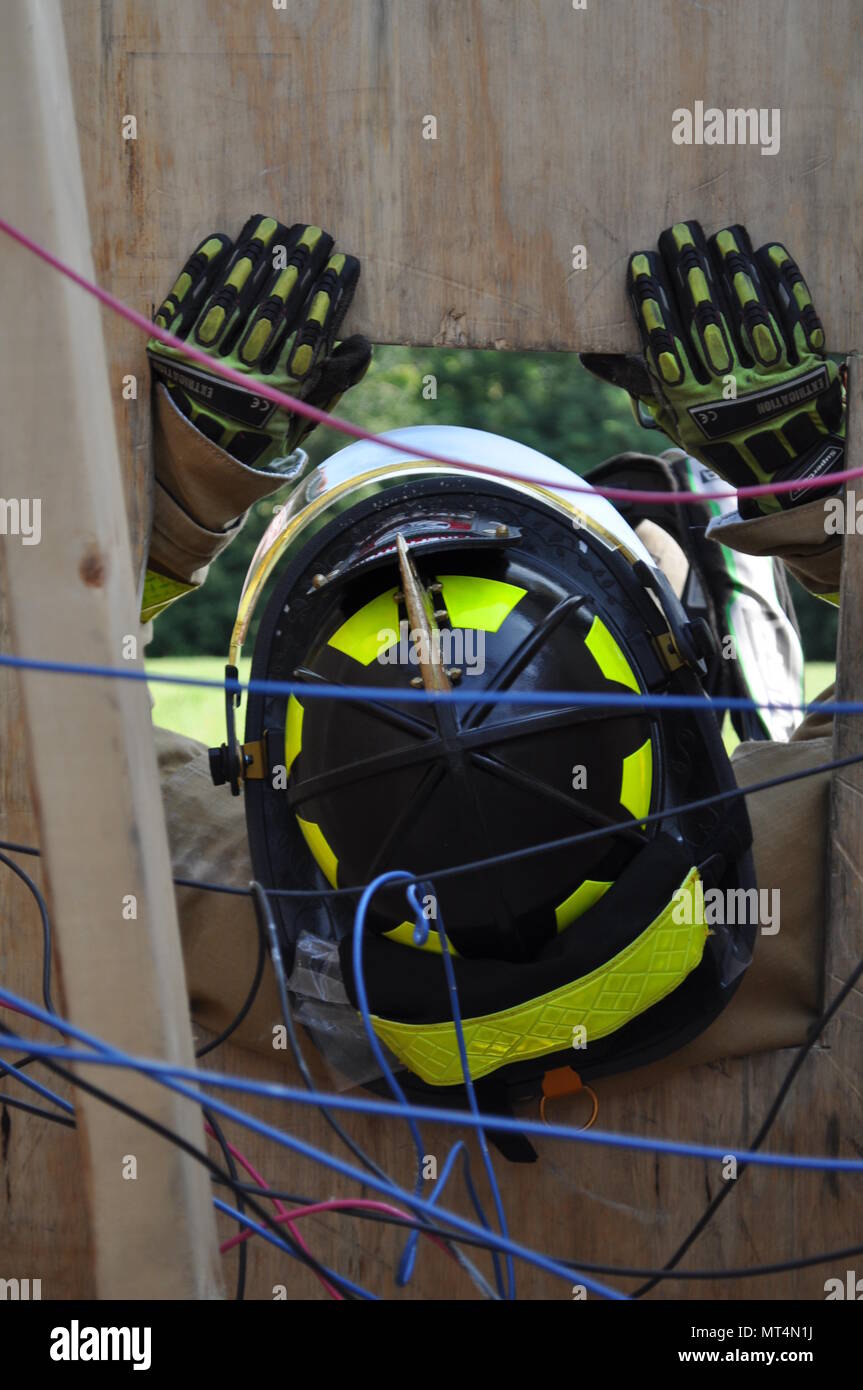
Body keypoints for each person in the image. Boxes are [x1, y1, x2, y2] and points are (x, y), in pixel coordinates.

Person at [144, 214, 841, 1099]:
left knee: (667, 537)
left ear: (285, 767)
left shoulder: (212, 931)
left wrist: (181, 483)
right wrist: (811, 481)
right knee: (673, 536)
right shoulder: (808, 890)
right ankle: (694, 573)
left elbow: (39, 736)